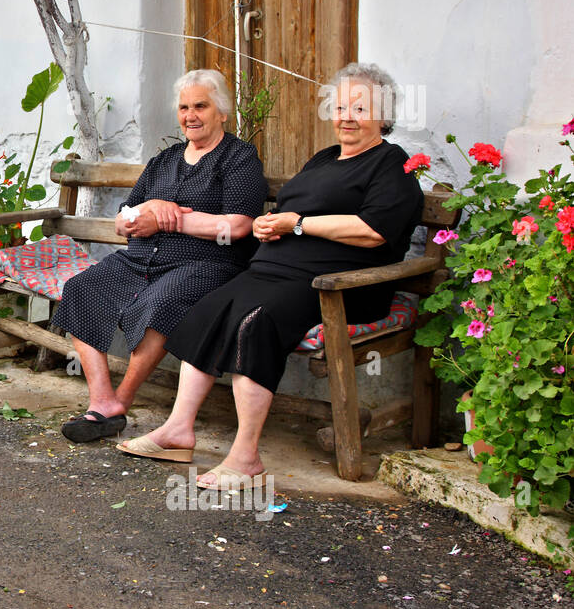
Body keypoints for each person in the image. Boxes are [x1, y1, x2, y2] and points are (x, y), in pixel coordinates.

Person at [118, 62, 424, 488]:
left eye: (360, 108)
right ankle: (177, 430)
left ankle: (245, 458)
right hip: (273, 271)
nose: (347, 117)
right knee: (207, 310)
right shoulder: (324, 159)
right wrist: (269, 224)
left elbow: (374, 231)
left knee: (254, 323)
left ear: (383, 115)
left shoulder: (390, 164)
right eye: (340, 107)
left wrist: (297, 224)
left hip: (337, 284)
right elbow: (291, 211)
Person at [54, 69, 268, 443]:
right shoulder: (164, 160)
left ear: (222, 112)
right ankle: (102, 400)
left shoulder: (239, 158)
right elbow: (123, 220)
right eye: (184, 108)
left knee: (162, 303)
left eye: (200, 106)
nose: (190, 116)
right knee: (81, 288)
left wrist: (171, 220)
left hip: (205, 264)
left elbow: (236, 226)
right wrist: (151, 207)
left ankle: (121, 401)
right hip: (139, 261)